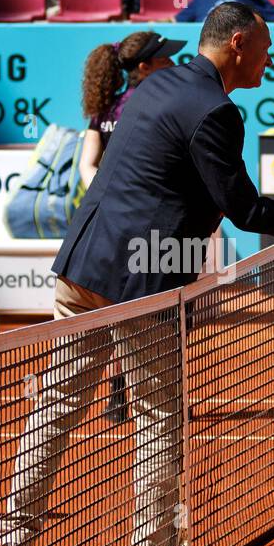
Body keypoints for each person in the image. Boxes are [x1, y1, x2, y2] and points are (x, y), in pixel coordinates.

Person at [0, 3, 274, 546]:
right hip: (140, 286)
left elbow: (158, 180)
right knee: (159, 417)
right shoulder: (217, 111)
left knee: (57, 406)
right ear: (238, 44)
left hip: (82, 265)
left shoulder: (157, 86)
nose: (271, 58)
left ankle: (13, 540)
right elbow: (245, 208)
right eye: (265, 47)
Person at [78, 30, 184, 422]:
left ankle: (119, 396)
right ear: (144, 68)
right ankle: (139, 394)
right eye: (164, 59)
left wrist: (105, 199)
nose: (173, 63)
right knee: (151, 312)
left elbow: (88, 164)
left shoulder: (104, 109)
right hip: (144, 224)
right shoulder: (154, 106)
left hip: (105, 222)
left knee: (121, 309)